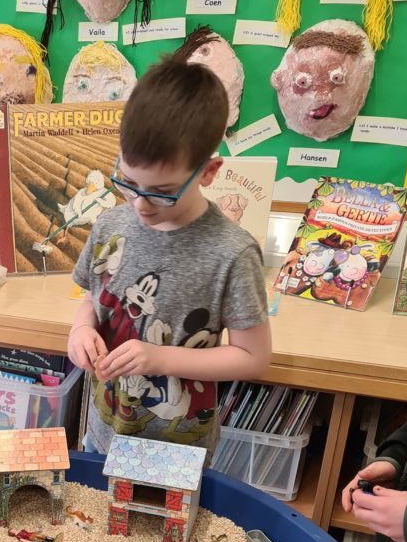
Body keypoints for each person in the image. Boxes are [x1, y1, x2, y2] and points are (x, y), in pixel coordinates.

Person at [67, 57, 271, 457]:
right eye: (128, 181)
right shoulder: (110, 225)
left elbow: (253, 357)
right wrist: (80, 330)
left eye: (161, 190)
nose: (141, 204)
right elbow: (91, 299)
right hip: (104, 431)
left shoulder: (232, 253)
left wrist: (159, 358)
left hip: (178, 447)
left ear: (209, 172)